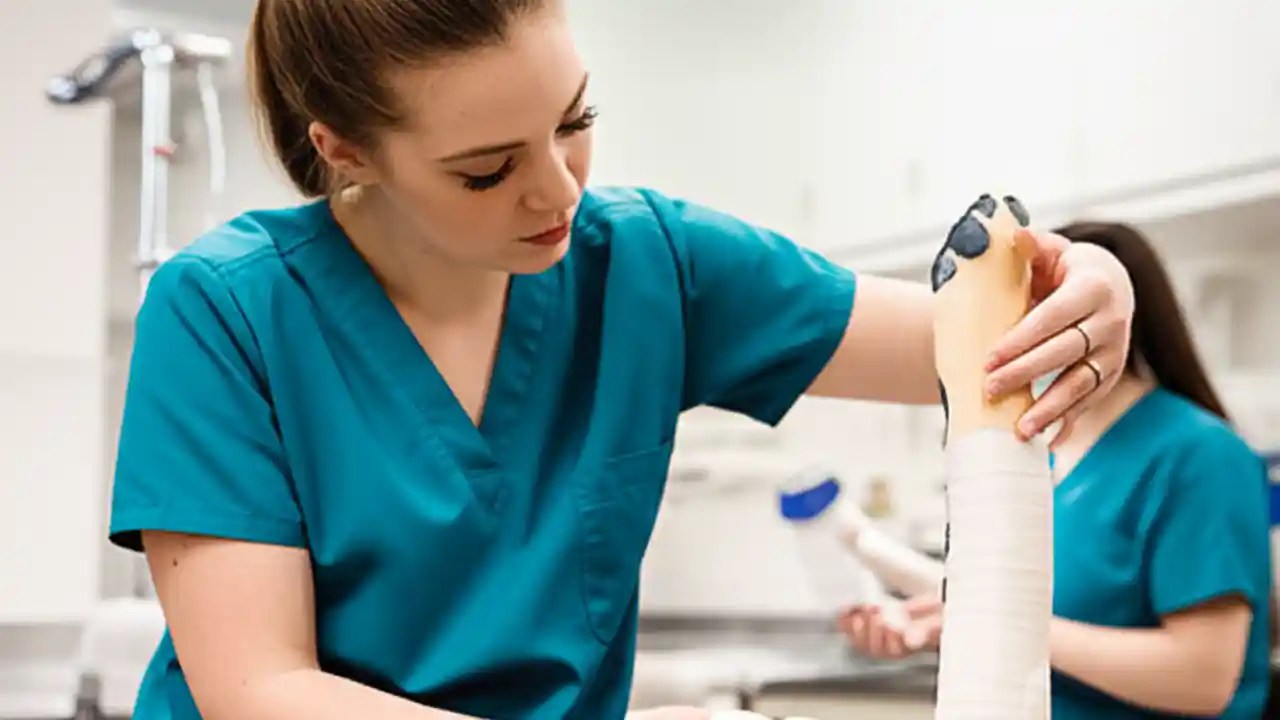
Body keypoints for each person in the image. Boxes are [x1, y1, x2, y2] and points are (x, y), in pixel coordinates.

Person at [106, 1, 1136, 719]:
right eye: (485, 170)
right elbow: (261, 693)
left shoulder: (647, 264)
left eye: (574, 122)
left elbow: (973, 349)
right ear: (346, 151)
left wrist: (1092, 282)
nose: (557, 191)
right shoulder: (225, 311)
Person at [839, 221, 1274, 719]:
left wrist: (996, 623)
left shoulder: (1199, 455)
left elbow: (1202, 680)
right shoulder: (1038, 451)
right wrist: (943, 625)